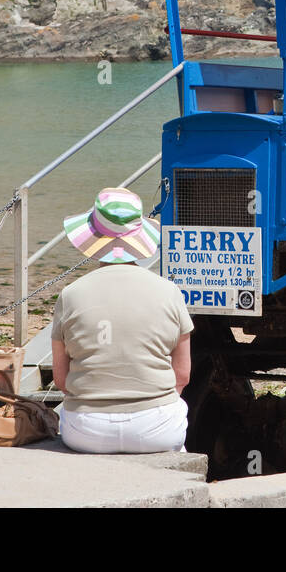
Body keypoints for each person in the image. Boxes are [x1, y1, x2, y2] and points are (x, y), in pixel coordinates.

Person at [51, 187, 193, 454]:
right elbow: (182, 375)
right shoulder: (169, 291)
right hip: (155, 427)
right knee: (177, 427)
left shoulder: (70, 295)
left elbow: (61, 378)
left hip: (87, 430)